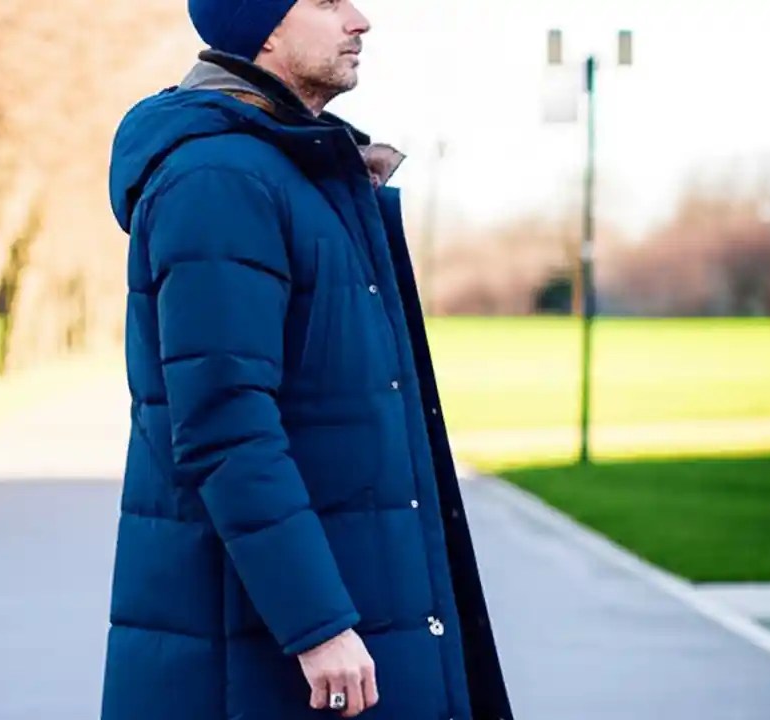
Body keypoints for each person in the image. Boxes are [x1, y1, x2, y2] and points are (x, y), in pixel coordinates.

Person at [101, 1, 513, 718]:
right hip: (271, 652)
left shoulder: (300, 172)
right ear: (261, 28)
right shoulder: (220, 179)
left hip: (348, 614)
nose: (361, 20)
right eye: (327, 1)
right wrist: (316, 624)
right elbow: (226, 427)